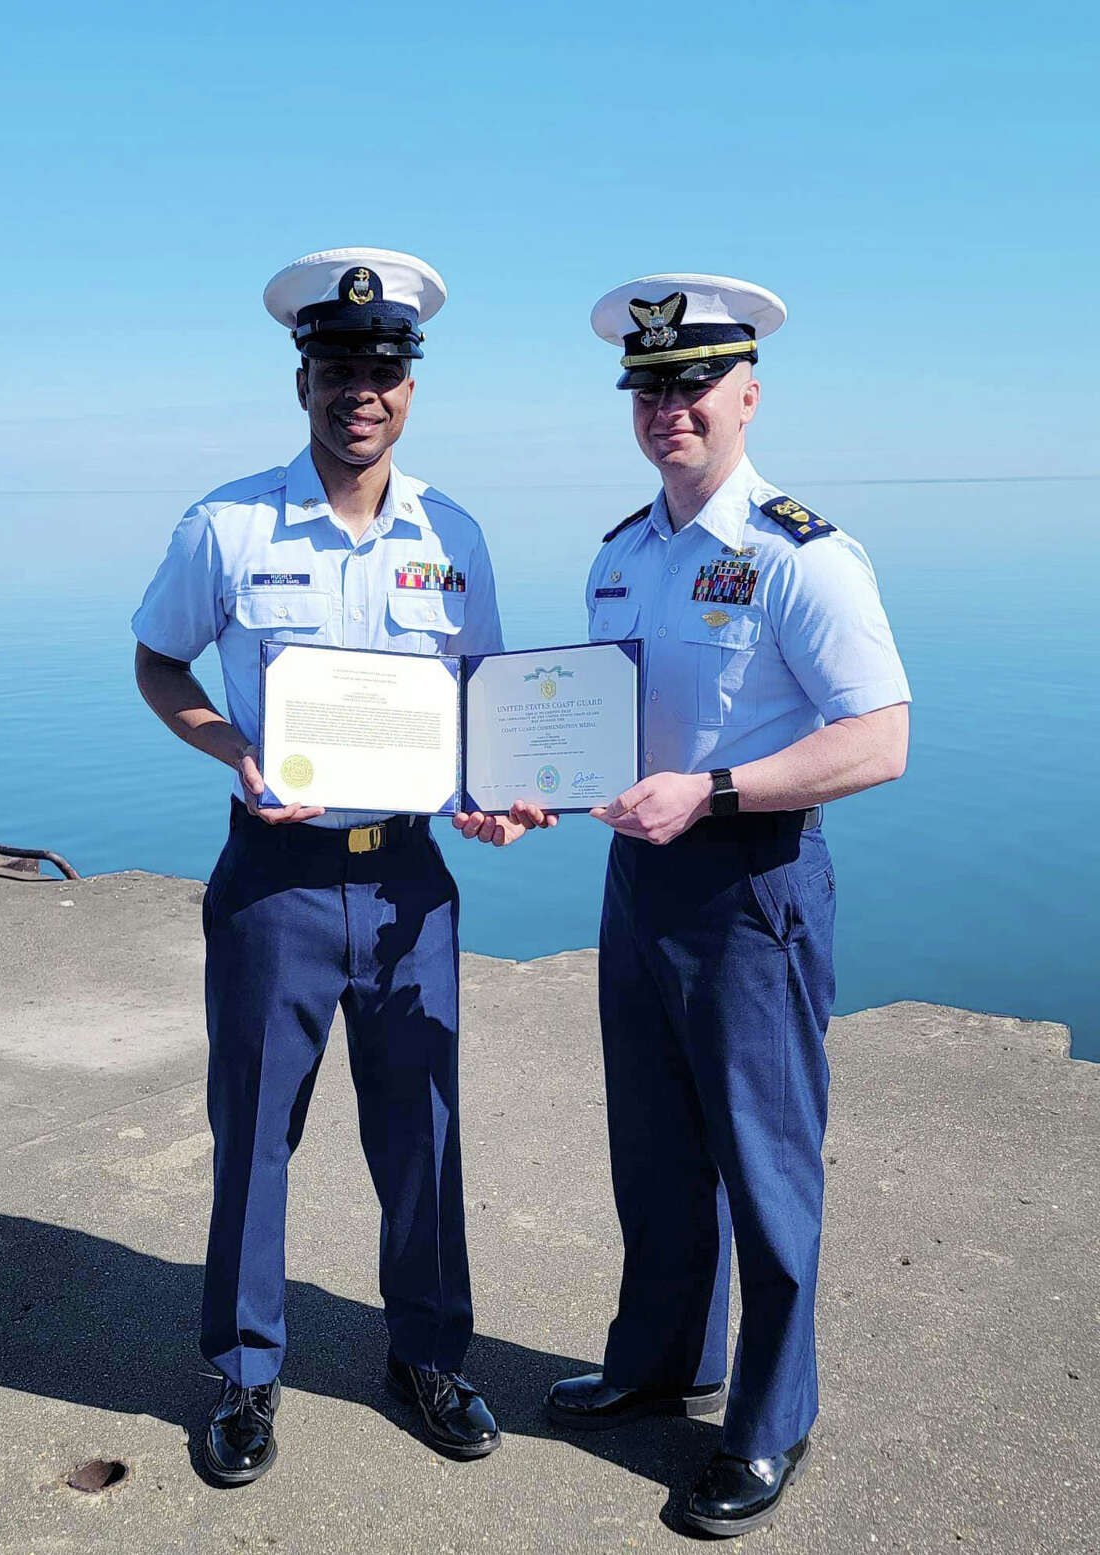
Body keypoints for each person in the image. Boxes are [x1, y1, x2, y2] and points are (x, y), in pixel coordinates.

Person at [133, 247, 539, 1484]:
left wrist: (497, 792)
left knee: (422, 1129)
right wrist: (231, 746)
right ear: (301, 375)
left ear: (409, 386)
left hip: (413, 878)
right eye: (339, 364)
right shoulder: (229, 524)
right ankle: (246, 1376)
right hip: (277, 880)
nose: (361, 387)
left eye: (384, 366)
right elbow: (160, 663)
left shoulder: (451, 532)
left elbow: (487, 707)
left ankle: (427, 1355)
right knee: (255, 1130)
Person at [518, 274, 911, 1537]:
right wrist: (528, 786)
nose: (668, 405)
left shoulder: (805, 555)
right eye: (648, 385)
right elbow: (602, 727)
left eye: (693, 382)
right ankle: (658, 1363)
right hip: (642, 881)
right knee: (656, 1147)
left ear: (748, 391)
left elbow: (882, 738)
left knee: (765, 1164)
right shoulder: (622, 556)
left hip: (755, 886)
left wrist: (719, 790)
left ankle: (768, 1422)